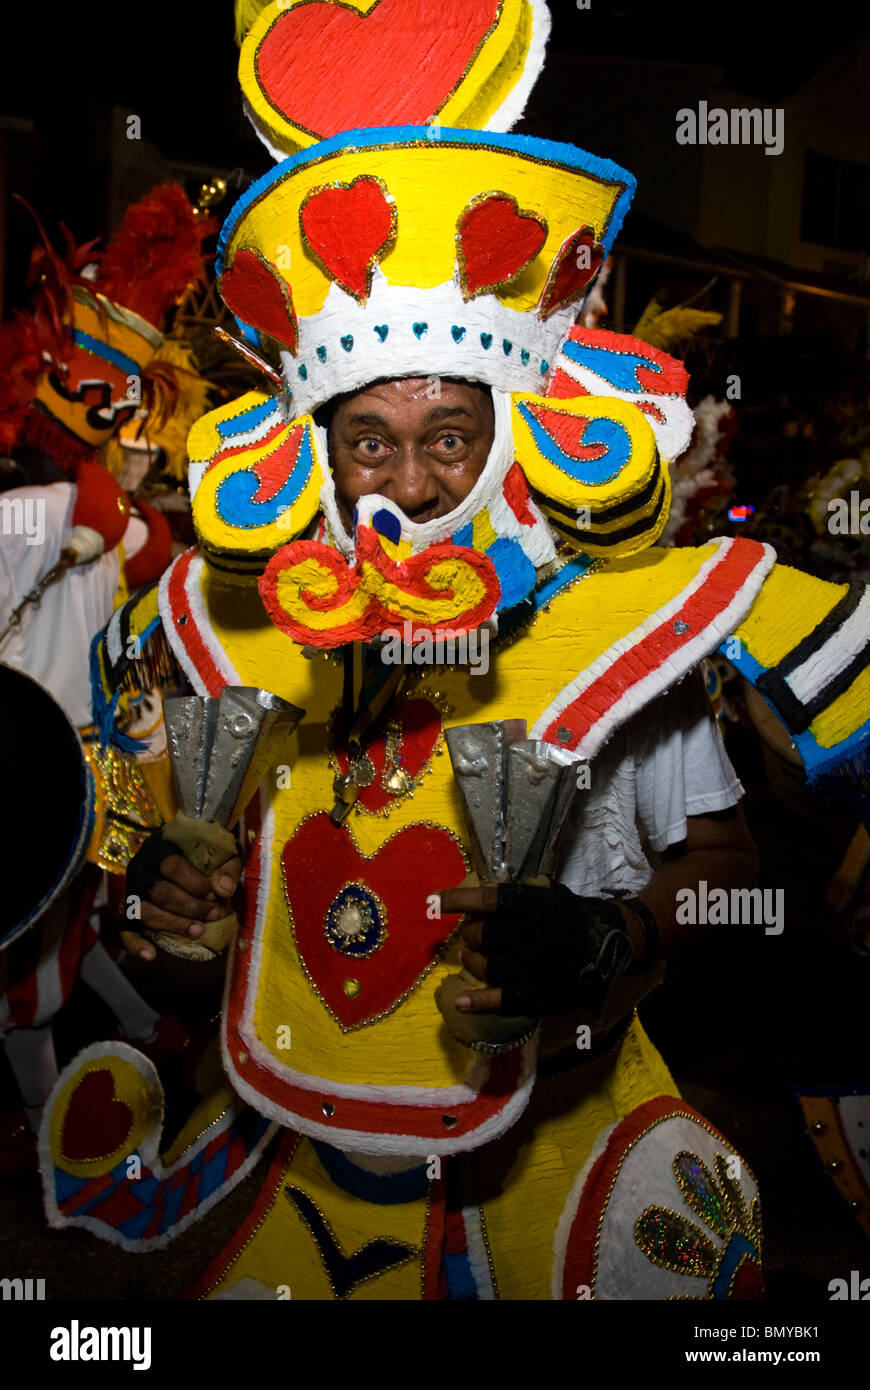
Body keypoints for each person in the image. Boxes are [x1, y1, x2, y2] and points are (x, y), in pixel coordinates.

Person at [39, 0, 869, 1299]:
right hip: (295, 1139)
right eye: (369, 438)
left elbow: (721, 864)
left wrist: (609, 941)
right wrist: (168, 908)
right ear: (316, 453)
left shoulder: (623, 620)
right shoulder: (244, 631)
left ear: (520, 438)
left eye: (449, 436)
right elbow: (187, 895)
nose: (411, 484)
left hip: (559, 1140)